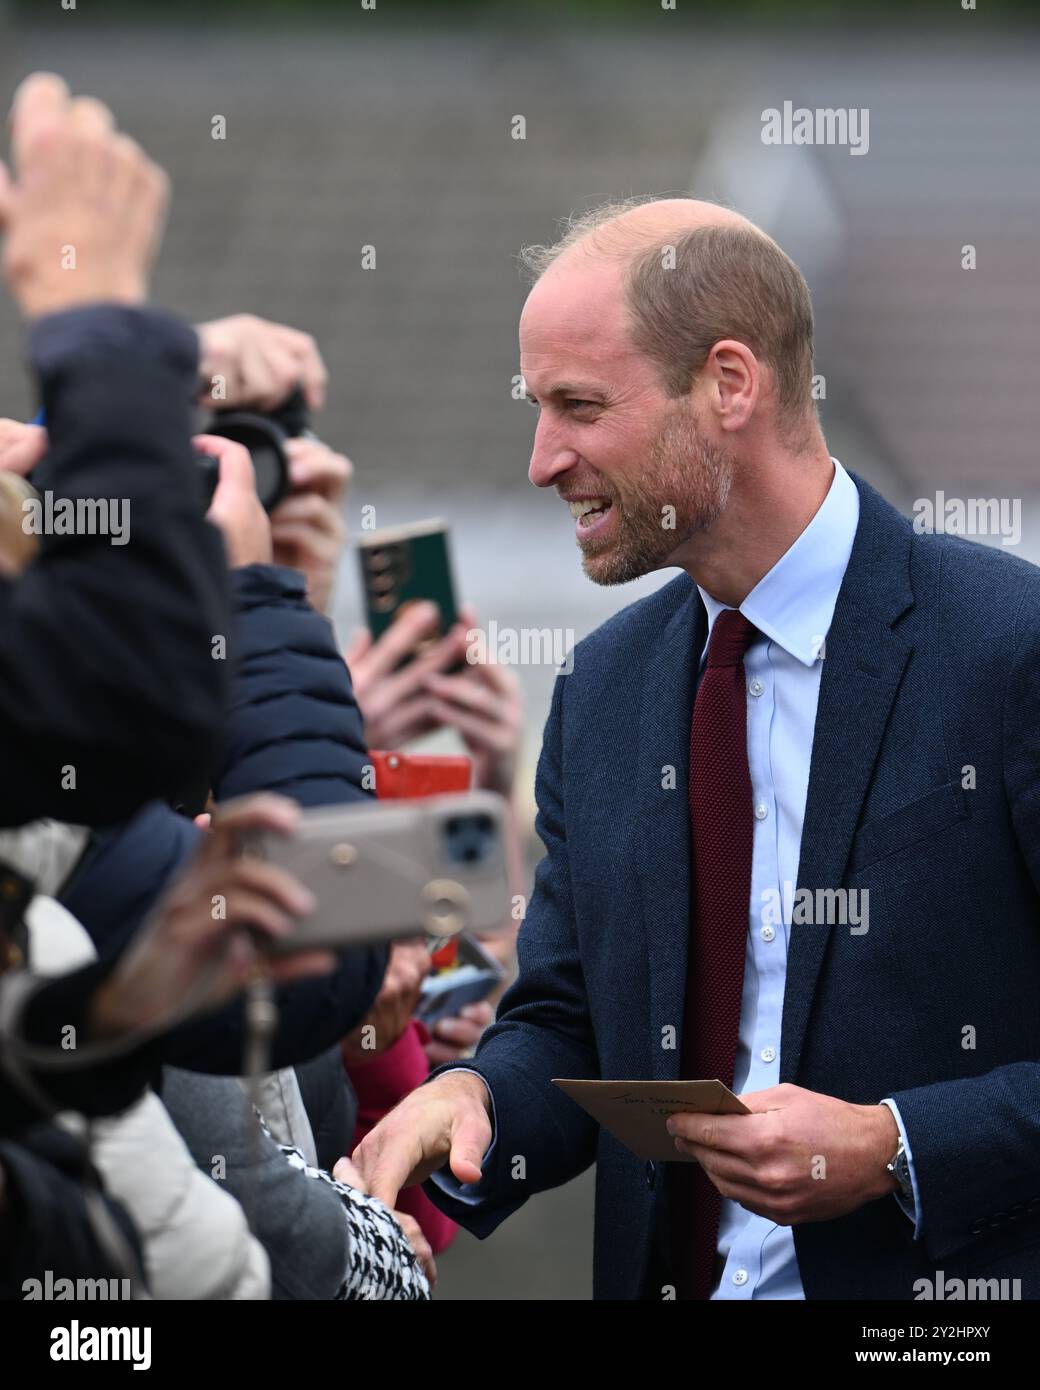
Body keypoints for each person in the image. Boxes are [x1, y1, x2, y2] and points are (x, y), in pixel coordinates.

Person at [351, 195, 1040, 1301]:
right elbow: (567, 1022)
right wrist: (475, 1096)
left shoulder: (1006, 648)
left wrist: (897, 1143)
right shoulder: (604, 688)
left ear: (729, 384)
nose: (540, 460)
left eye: (577, 405)